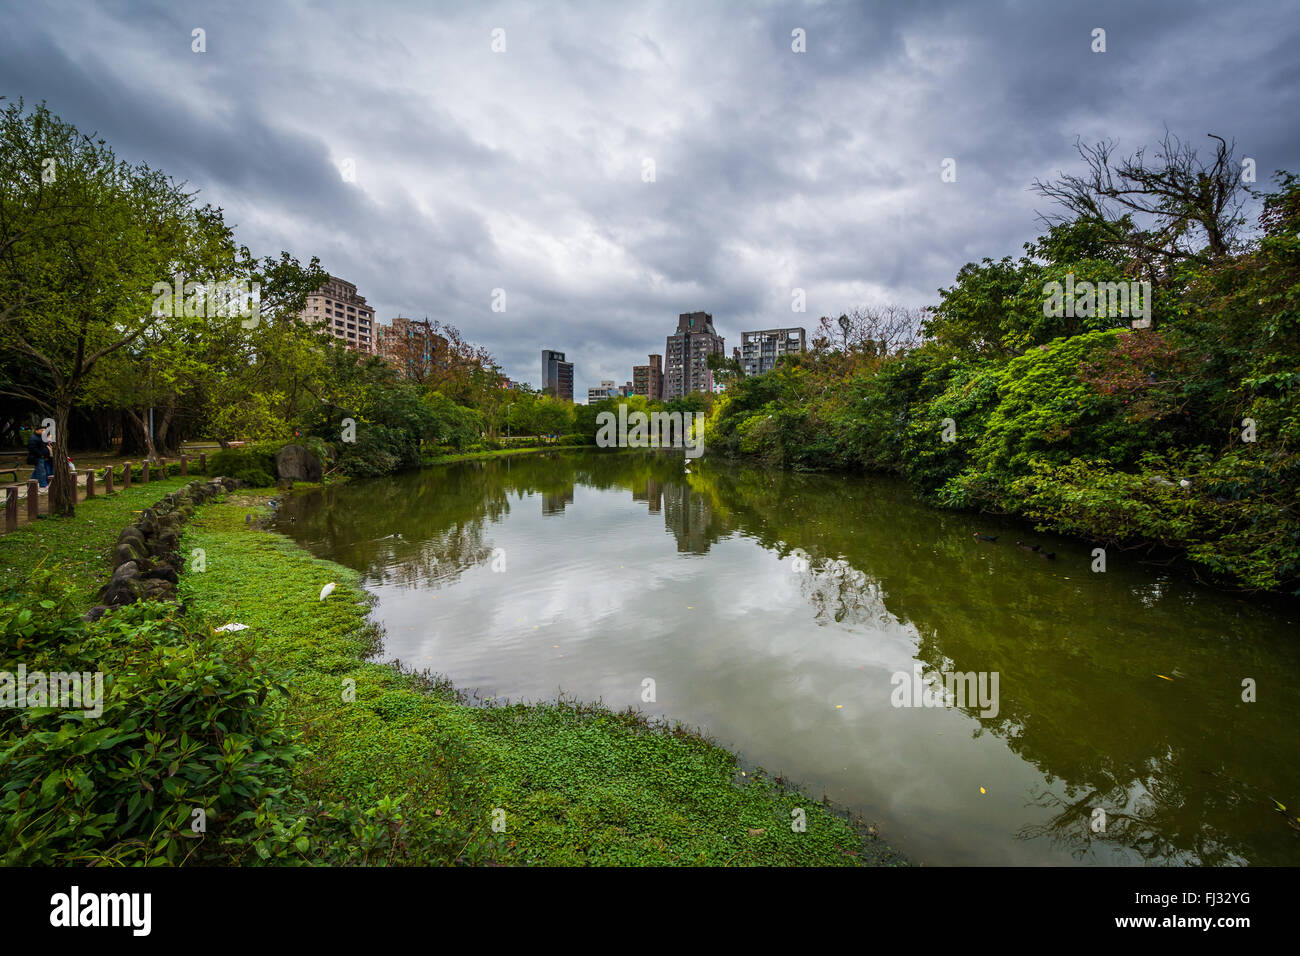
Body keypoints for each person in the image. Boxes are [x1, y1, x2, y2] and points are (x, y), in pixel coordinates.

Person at [27, 425, 51, 493]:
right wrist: (41, 455)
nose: (43, 431)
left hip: (42, 457)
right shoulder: (34, 438)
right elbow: (33, 449)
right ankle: (43, 485)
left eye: (44, 430)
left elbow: (44, 446)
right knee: (41, 472)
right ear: (36, 430)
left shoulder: (41, 438)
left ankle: (31, 483)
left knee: (37, 471)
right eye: (42, 430)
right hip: (37, 458)